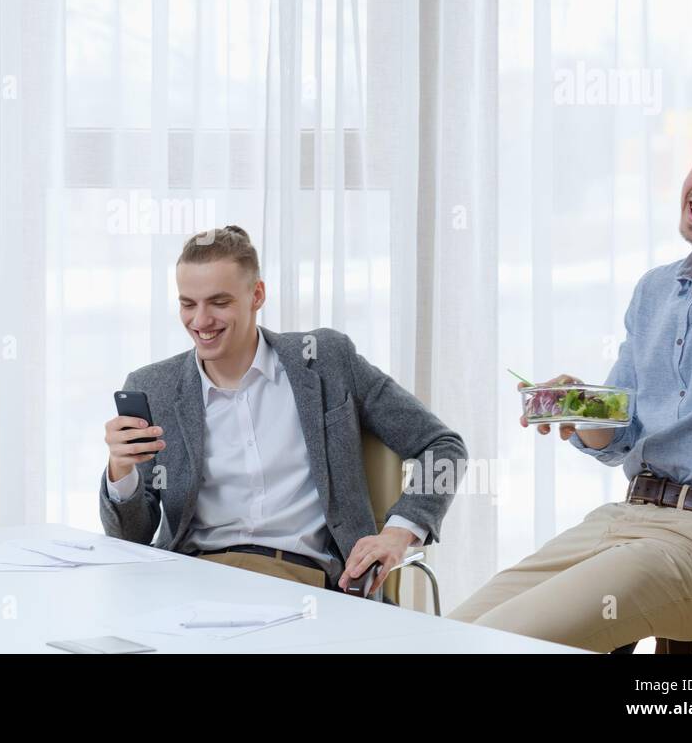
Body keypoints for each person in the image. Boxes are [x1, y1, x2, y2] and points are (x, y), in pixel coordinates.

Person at [449, 106, 692, 651]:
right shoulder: (656, 290)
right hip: (622, 519)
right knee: (438, 634)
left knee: (499, 643)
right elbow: (621, 436)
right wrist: (583, 407)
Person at [100, 225, 468, 594]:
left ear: (256, 294)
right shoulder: (155, 387)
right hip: (192, 578)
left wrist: (398, 532)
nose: (200, 321)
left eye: (219, 302)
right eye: (187, 304)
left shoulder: (326, 361)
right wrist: (122, 469)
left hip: (305, 581)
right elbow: (130, 537)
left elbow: (443, 448)